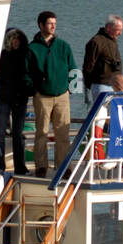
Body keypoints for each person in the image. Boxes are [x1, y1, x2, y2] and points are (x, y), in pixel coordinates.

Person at [28, 11, 75, 178]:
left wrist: (72, 89)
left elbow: (74, 69)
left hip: (62, 95)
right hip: (42, 96)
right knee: (41, 133)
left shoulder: (63, 46)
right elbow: (26, 73)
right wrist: (33, 90)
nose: (53, 26)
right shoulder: (32, 48)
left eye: (54, 23)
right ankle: (41, 166)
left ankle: (63, 167)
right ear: (41, 25)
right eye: (49, 23)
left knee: (63, 133)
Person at [0, 28, 33, 174]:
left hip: (20, 98)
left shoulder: (26, 55)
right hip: (3, 98)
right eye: (12, 38)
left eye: (18, 38)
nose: (15, 41)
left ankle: (20, 166)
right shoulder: (2, 56)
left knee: (18, 133)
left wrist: (29, 89)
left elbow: (32, 73)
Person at [82, 14, 123, 102]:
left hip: (115, 86)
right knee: (102, 115)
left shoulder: (113, 41)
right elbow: (88, 66)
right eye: (118, 30)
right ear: (108, 28)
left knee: (114, 115)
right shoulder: (96, 42)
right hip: (101, 86)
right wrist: (89, 85)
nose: (120, 33)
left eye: (121, 30)